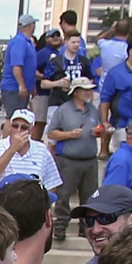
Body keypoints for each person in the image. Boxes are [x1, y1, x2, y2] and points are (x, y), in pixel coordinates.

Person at [45, 76, 102, 231]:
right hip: (69, 160)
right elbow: (51, 133)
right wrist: (69, 134)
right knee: (64, 194)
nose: (88, 93)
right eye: (85, 90)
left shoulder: (93, 110)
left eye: (89, 90)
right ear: (75, 92)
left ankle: (86, 226)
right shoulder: (63, 110)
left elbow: (100, 126)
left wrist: (98, 132)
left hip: (90, 159)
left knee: (89, 195)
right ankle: (61, 225)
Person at [0, 109, 61, 199]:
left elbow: (51, 184)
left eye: (24, 127)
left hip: (29, 207)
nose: (18, 130)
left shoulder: (41, 150)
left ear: (31, 130)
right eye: (15, 126)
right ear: (10, 127)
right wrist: (13, 148)